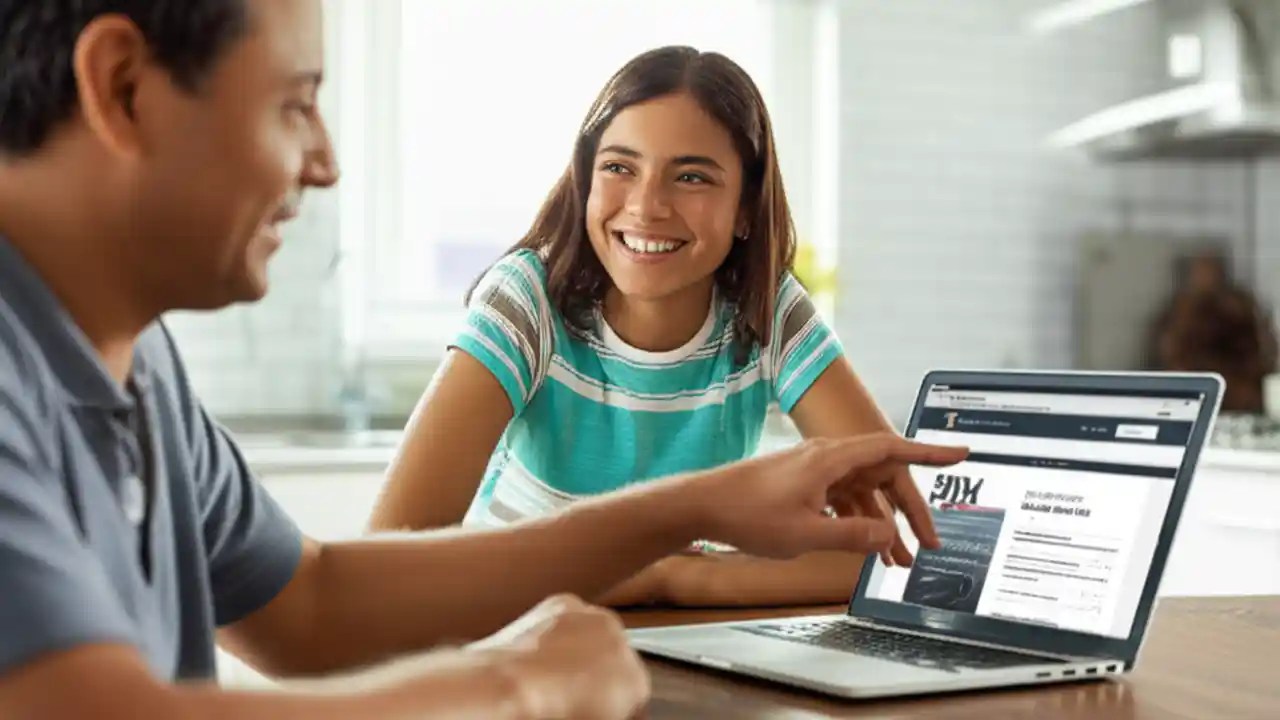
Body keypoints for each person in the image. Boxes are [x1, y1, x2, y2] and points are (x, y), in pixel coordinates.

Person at [0, 1, 966, 718]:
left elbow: (316, 610)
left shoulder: (139, 367)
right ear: (123, 87)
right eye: (296, 105)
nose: (326, 162)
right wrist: (512, 681)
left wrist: (693, 514)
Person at [367, 46, 911, 609]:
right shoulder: (530, 299)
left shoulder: (765, 308)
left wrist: (684, 579)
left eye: (692, 177)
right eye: (619, 168)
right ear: (586, 180)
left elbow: (898, 553)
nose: (647, 206)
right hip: (507, 641)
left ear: (746, 208)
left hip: (673, 647)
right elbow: (390, 562)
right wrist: (668, 577)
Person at [1150, 251, 1278, 413]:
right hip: (1198, 388)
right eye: (1199, 273)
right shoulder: (1183, 310)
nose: (1203, 278)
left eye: (1208, 272)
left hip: (1240, 385)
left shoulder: (1239, 305)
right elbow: (1172, 352)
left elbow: (1262, 346)